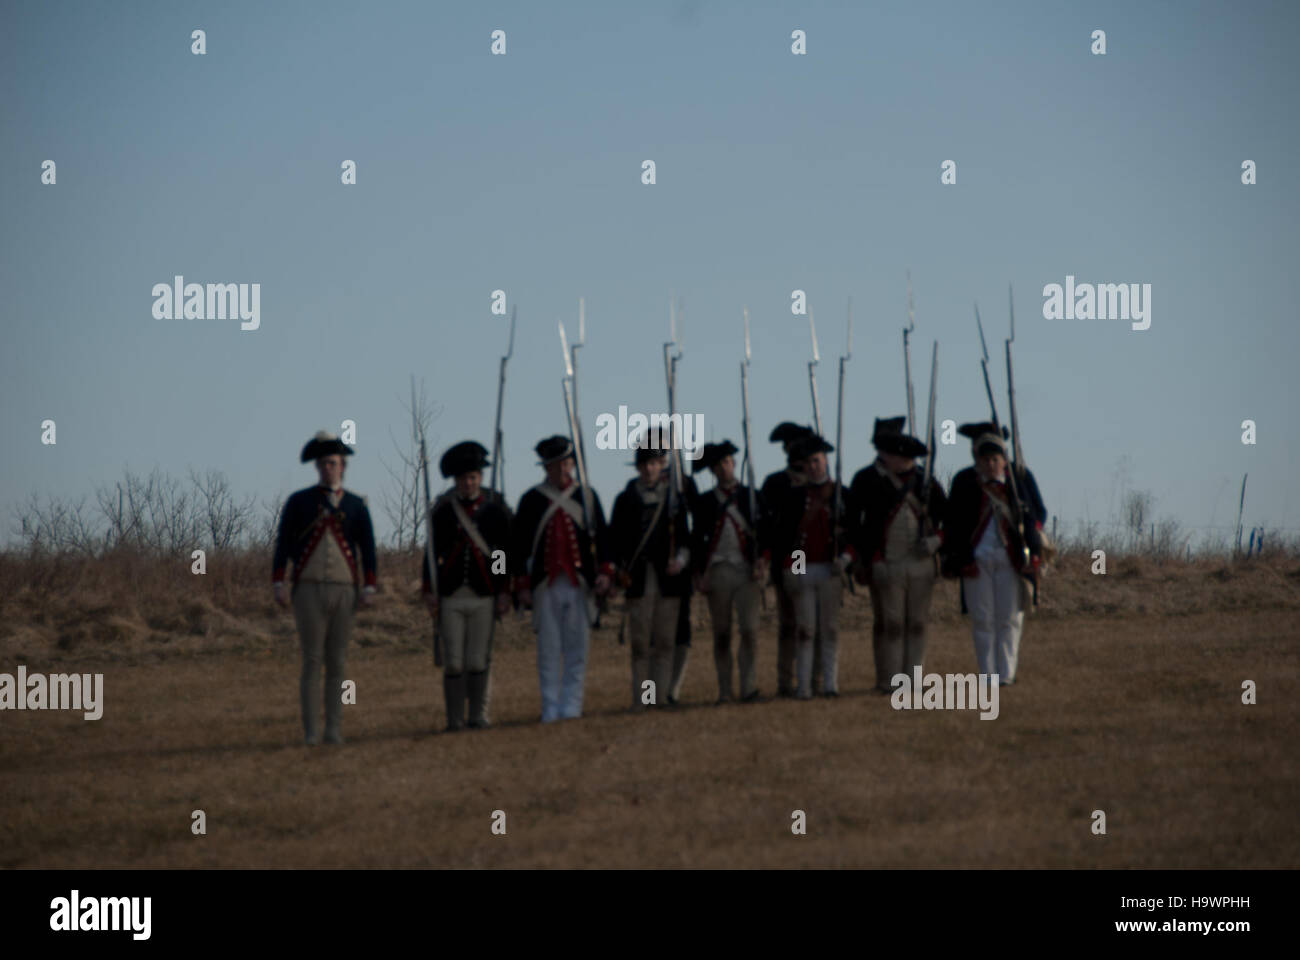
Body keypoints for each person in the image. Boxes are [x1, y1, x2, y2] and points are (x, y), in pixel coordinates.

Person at [272, 431, 377, 746]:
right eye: (323, 463)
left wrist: (369, 586)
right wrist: (279, 581)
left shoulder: (357, 505)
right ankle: (311, 733)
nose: (327, 468)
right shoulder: (299, 502)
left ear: (343, 466)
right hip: (308, 589)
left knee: (339, 662)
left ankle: (334, 729)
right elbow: (284, 544)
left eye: (332, 463)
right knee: (312, 661)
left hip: (345, 590)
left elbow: (368, 548)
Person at [511, 436, 613, 722]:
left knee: (577, 648)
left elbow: (603, 539)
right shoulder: (531, 500)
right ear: (545, 468)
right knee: (549, 650)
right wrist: (519, 584)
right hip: (546, 585)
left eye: (566, 464)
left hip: (580, 583)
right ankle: (550, 707)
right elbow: (516, 547)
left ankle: (571, 706)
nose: (562, 471)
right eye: (555, 466)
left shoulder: (587, 496)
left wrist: (606, 573)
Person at [942, 422, 1047, 685]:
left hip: (1011, 559)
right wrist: (957, 559)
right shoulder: (964, 481)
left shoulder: (1019, 479)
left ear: (1004, 460)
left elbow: (1037, 515)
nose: (990, 464)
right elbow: (953, 524)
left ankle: (1006, 674)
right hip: (976, 558)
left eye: (995, 459)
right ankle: (987, 675)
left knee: (1010, 618)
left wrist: (1032, 553)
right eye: (985, 459)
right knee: (983, 619)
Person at [849, 417, 946, 693]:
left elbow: (949, 519)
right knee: (890, 624)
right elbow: (856, 525)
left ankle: (913, 681)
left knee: (916, 624)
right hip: (886, 563)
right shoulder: (865, 479)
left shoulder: (926, 482)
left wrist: (935, 542)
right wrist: (866, 559)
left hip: (921, 563)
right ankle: (889, 681)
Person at [421, 441, 513, 731]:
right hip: (450, 595)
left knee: (478, 659)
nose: (468, 482)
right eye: (463, 478)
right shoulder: (443, 511)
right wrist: (429, 590)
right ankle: (455, 720)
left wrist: (502, 588)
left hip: (484, 593)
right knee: (454, 662)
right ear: (455, 480)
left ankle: (479, 715)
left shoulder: (494, 510)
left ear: (480, 478)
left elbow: (499, 553)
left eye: (473, 477)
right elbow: (431, 554)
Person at [775, 434, 854, 699]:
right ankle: (804, 686)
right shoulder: (794, 497)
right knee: (806, 631)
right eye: (808, 462)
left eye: (817, 461)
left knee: (829, 630)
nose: (813, 467)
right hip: (805, 570)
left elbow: (853, 533)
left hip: (830, 570)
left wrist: (845, 559)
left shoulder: (841, 493)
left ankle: (830, 684)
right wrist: (795, 571)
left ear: (825, 461)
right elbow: (789, 537)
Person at [611, 445, 691, 710]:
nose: (649, 469)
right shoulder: (625, 500)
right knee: (641, 645)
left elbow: (684, 539)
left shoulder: (674, 498)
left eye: (655, 463)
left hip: (669, 580)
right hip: (638, 580)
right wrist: (617, 573)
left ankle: (661, 697)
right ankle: (644, 699)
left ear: (661, 465)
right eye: (645, 464)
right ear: (637, 468)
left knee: (666, 643)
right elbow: (616, 544)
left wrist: (679, 562)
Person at [691, 441, 768, 703]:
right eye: (719, 465)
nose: (725, 468)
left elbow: (767, 534)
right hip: (718, 572)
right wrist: (699, 574)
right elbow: (697, 541)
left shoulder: (752, 496)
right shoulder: (704, 503)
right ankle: (725, 690)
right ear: (713, 471)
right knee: (722, 633)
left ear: (734, 464)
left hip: (747, 571)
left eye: (727, 462)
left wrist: (762, 562)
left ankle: (749, 687)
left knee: (749, 630)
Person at [760, 422, 814, 696]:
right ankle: (785, 681)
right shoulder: (774, 484)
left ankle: (814, 679)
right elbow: (767, 529)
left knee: (813, 624)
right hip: (787, 560)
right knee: (788, 624)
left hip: (816, 560)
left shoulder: (820, 486)